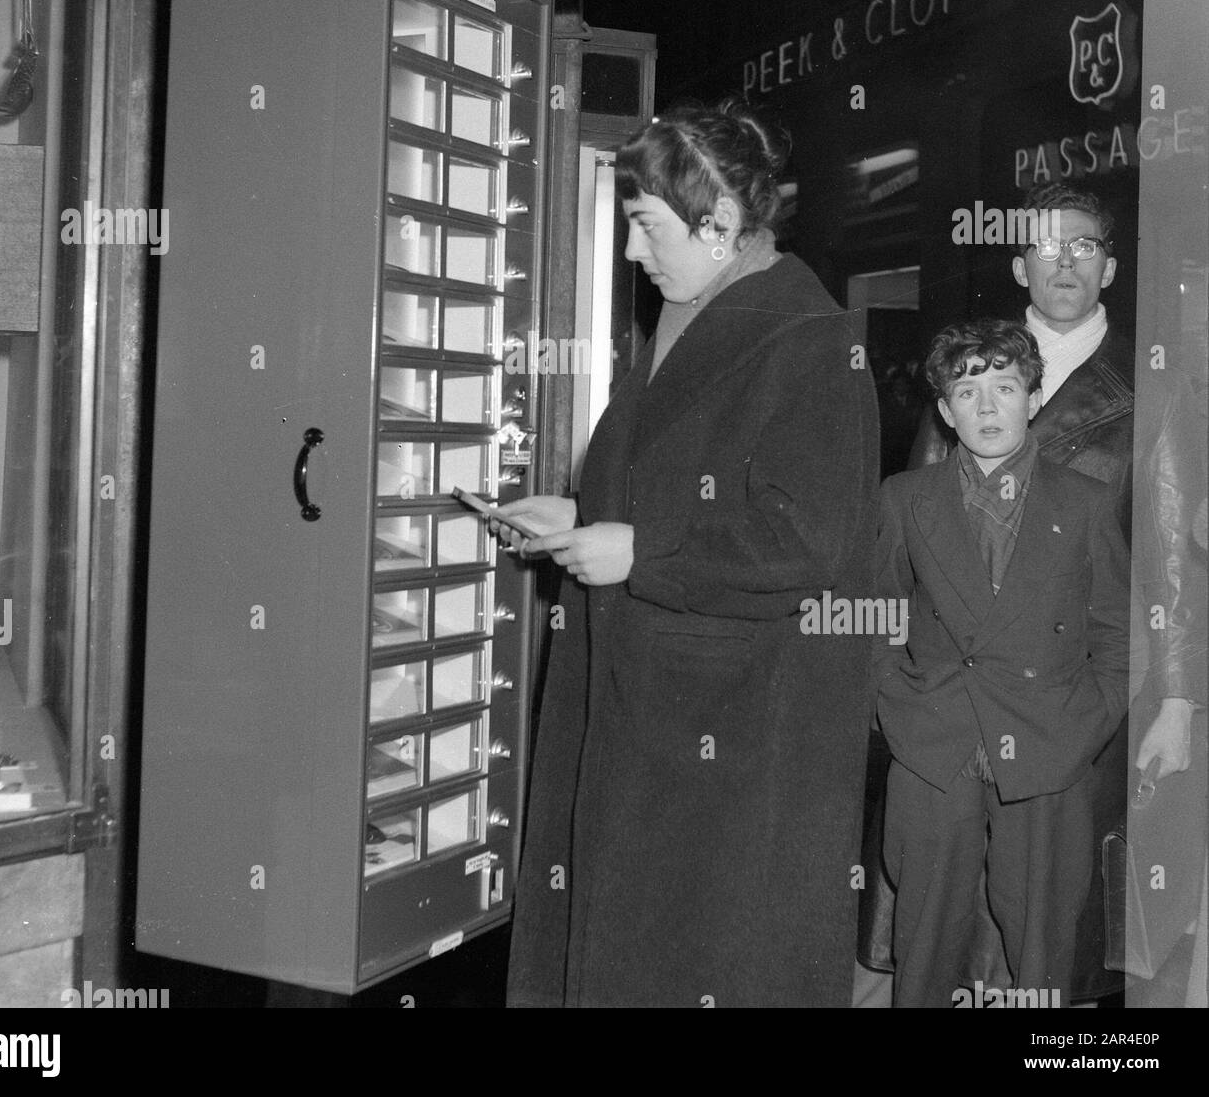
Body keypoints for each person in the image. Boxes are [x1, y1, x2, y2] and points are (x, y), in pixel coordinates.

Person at [499, 99, 880, 1007]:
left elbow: (803, 539)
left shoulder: (813, 343)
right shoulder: (694, 315)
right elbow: (682, 481)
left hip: (734, 746)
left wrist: (640, 550)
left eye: (644, 226)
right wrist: (580, 513)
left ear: (722, 223)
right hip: (661, 720)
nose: (633, 252)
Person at [858, 182, 1200, 1002]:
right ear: (1020, 265)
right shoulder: (970, 369)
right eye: (1047, 248)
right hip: (946, 726)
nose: (1065, 264)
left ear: (1110, 268)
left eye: (1083, 248)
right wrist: (899, 705)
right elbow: (896, 561)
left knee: (1047, 938)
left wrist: (1177, 701)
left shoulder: (1155, 389)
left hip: (1063, 711)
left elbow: (1175, 562)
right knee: (935, 937)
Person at [875, 320, 1129, 1007]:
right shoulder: (904, 500)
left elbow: (1116, 632)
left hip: (1047, 750)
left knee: (1042, 949)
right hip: (936, 748)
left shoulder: (1084, 503)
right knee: (922, 944)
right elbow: (873, 623)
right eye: (968, 390)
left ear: (1034, 399)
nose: (987, 409)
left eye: (1006, 388)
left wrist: (1085, 725)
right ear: (945, 409)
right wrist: (904, 716)